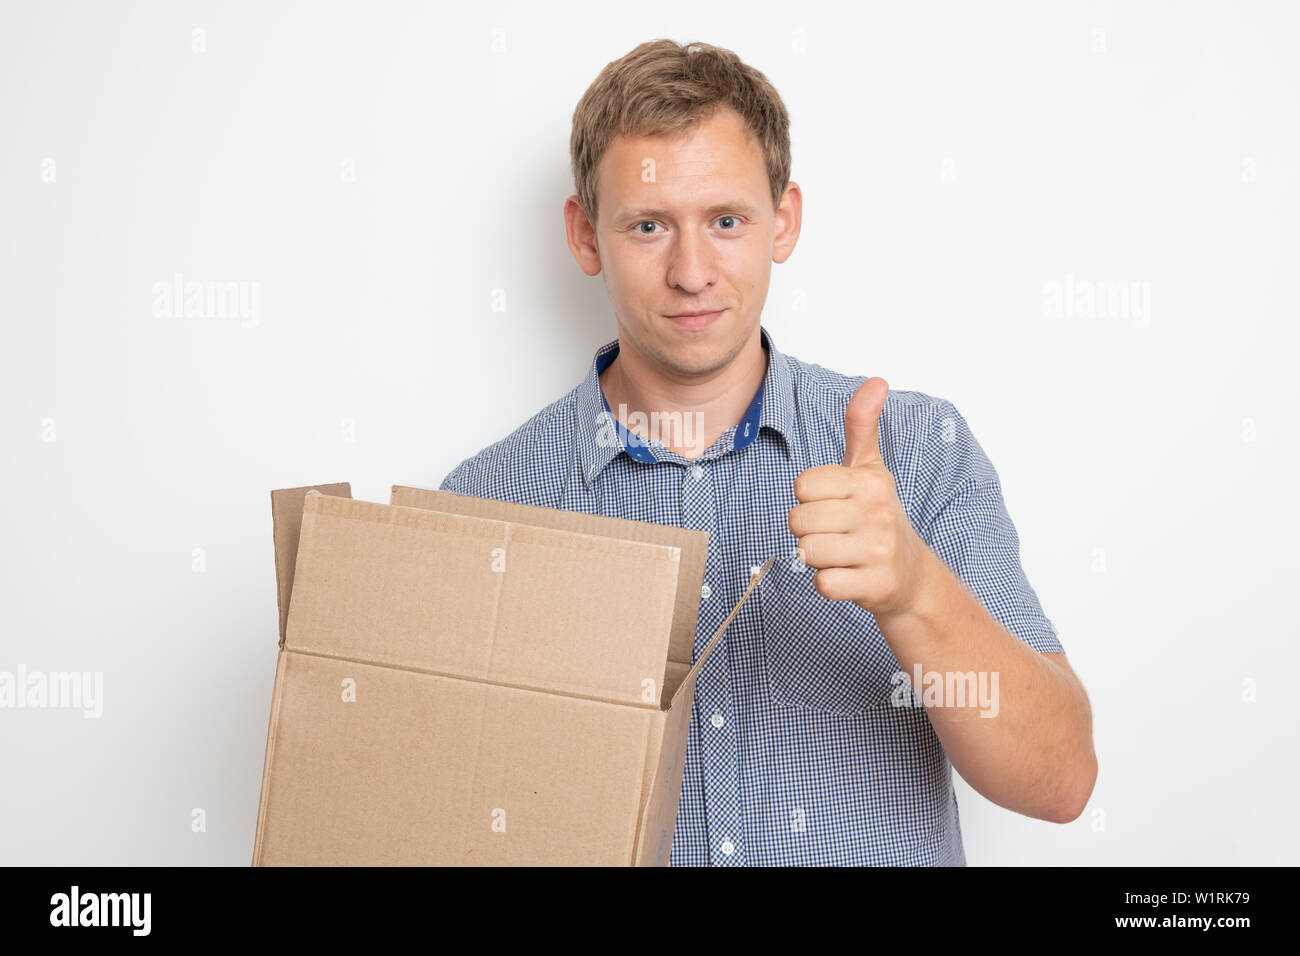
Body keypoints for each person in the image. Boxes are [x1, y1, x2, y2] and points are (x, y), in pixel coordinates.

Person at [439, 39, 1097, 866]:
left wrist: (914, 590)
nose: (691, 271)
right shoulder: (485, 506)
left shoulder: (918, 452)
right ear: (584, 235)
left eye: (725, 221)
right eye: (648, 226)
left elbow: (1062, 781)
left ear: (782, 221)